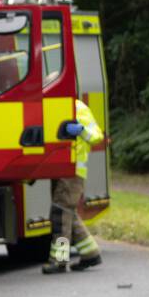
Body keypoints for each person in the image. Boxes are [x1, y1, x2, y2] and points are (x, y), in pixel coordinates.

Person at [43, 98, 105, 273]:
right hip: (59, 170)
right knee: (68, 213)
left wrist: (81, 130)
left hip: (73, 171)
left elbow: (96, 136)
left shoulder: (78, 108)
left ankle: (60, 260)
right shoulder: (49, 106)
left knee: (60, 215)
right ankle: (90, 253)